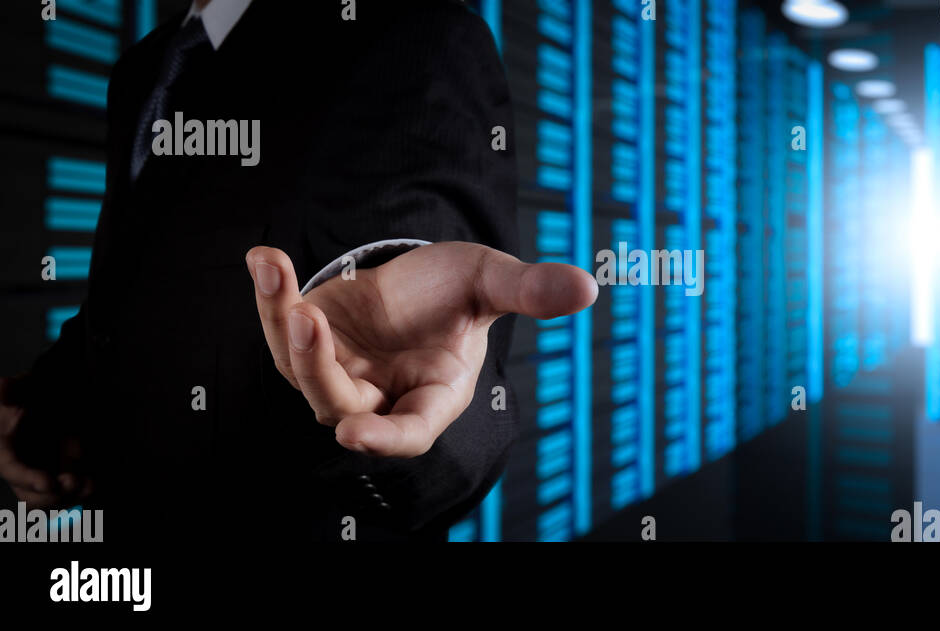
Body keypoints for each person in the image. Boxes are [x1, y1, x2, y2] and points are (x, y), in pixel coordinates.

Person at [0, 0, 596, 542]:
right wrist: (43, 411)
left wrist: (401, 415)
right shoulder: (146, 67)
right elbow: (131, 292)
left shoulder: (413, 30)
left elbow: (451, 399)